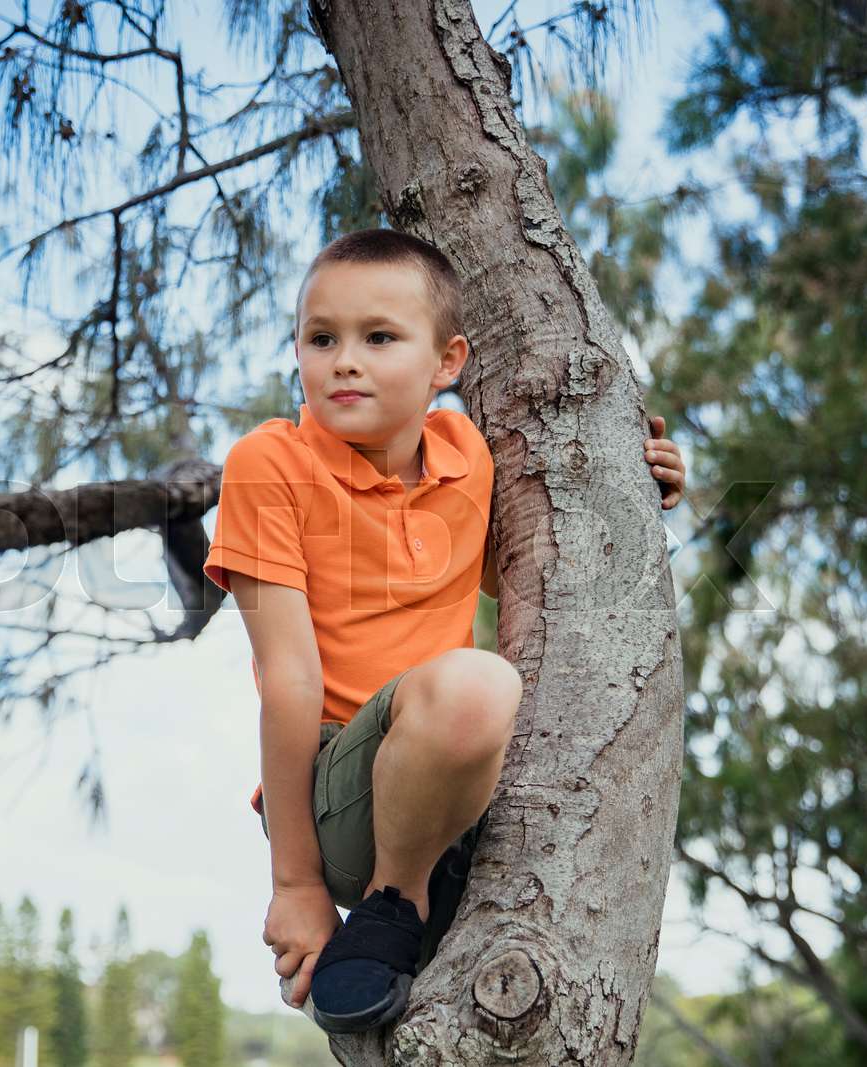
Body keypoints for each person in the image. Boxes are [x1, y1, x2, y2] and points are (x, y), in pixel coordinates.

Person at [201, 228, 686, 1034]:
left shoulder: (468, 455)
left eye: (379, 337)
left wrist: (637, 482)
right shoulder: (270, 463)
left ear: (447, 362)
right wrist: (295, 883)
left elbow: (538, 569)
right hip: (336, 797)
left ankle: (428, 884)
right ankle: (396, 901)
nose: (344, 361)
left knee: (481, 694)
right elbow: (288, 679)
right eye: (321, 338)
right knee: (479, 680)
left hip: (453, 782)